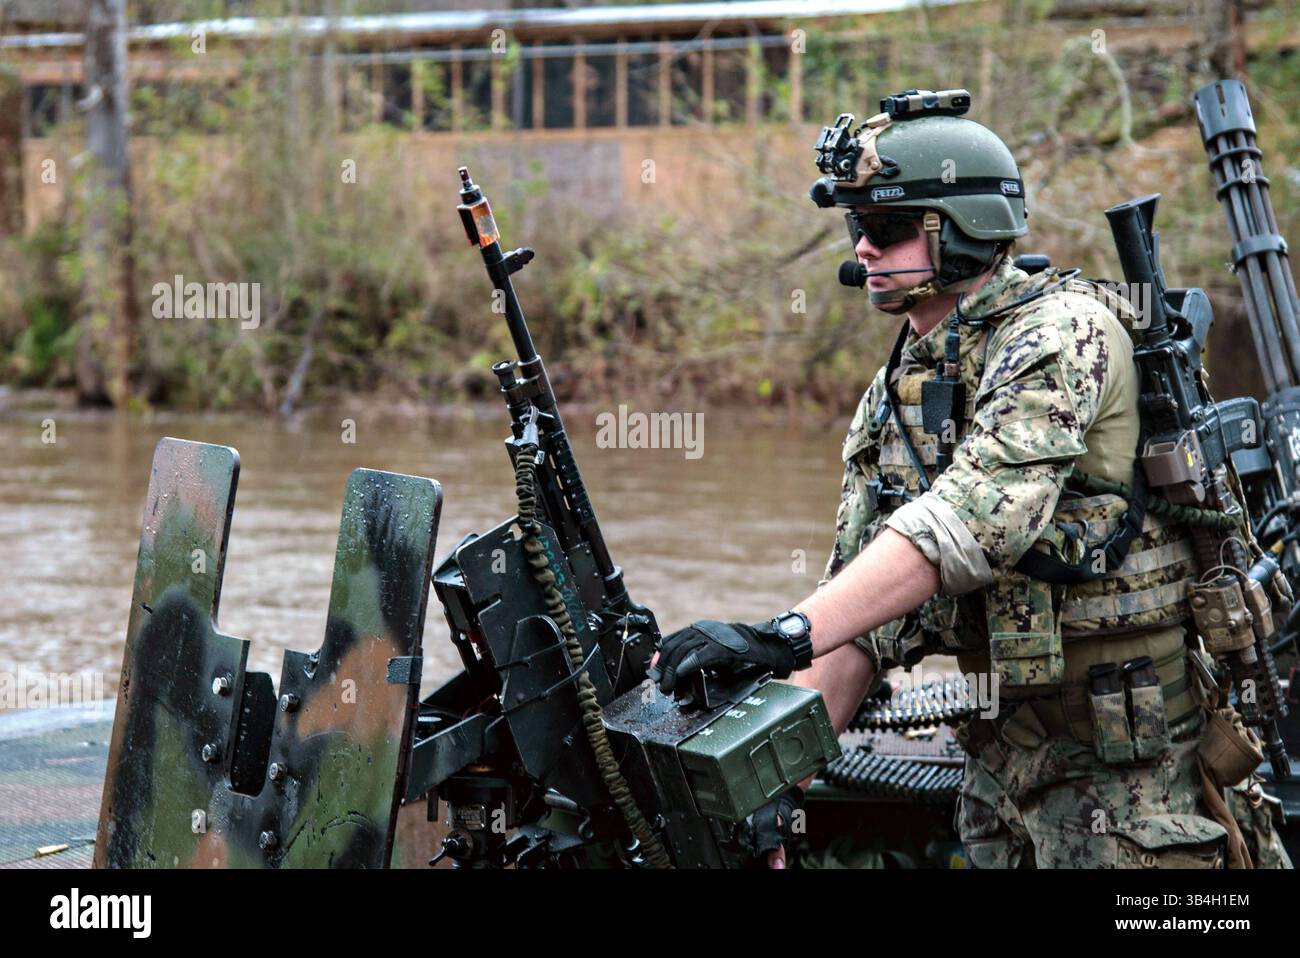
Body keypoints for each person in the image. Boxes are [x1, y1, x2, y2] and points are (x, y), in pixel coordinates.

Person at [649, 89, 1291, 869]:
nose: (863, 251)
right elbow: (862, 619)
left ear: (964, 229)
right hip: (1002, 772)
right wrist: (772, 788)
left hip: (1138, 782)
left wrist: (780, 634)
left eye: (887, 229)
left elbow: (971, 522)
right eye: (857, 228)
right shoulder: (899, 392)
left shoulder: (1063, 336)